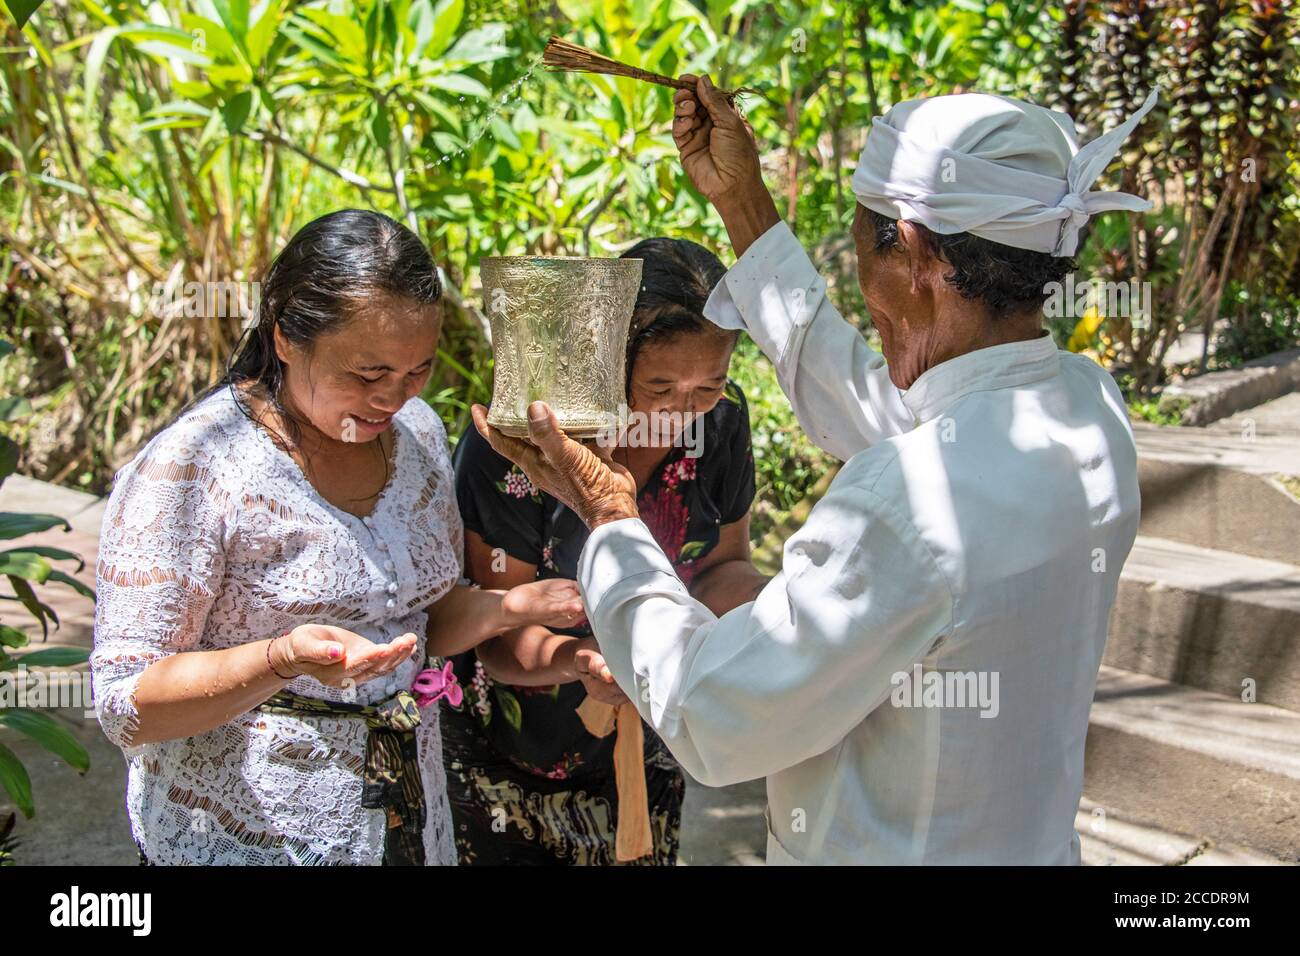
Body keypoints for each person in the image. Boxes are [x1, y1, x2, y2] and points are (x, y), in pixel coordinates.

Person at [472, 79, 1156, 864]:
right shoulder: (1084, 406)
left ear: (917, 251)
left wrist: (609, 514)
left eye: (864, 248)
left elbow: (710, 713)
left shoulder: (909, 504)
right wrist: (742, 202)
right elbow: (868, 400)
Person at [90, 209, 583, 865]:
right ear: (288, 339)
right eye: (367, 374)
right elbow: (128, 704)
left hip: (403, 820)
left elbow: (416, 618)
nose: (393, 399)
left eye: (418, 371)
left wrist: (507, 609)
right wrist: (280, 658)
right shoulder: (196, 468)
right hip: (249, 840)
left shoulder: (419, 439)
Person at [440, 237, 768, 865]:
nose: (683, 411)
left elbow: (722, 568)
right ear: (607, 360)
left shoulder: (721, 423)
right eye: (660, 384)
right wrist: (584, 660)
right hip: (509, 756)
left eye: (709, 385)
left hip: (646, 745)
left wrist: (777, 605)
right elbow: (498, 631)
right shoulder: (521, 445)